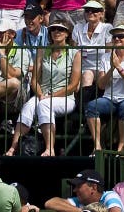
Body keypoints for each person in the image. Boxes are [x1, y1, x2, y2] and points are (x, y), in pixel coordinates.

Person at [8, 19, 80, 157]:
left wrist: (50, 97)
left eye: (60, 29)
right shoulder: (42, 51)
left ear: (67, 34)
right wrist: (41, 94)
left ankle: (50, 149)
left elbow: (73, 86)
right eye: (53, 29)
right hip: (43, 95)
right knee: (29, 106)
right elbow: (34, 80)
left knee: (45, 105)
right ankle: (13, 147)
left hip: (65, 98)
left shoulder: (75, 53)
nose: (56, 32)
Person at [85, 22, 124, 153]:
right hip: (109, 98)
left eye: (121, 36)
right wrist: (112, 67)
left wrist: (119, 67)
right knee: (91, 107)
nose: (117, 39)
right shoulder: (106, 57)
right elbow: (101, 84)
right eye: (114, 37)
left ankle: (121, 146)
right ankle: (98, 146)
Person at [46, 169, 124, 212]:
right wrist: (80, 211)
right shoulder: (80, 201)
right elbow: (50, 203)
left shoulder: (110, 196)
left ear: (93, 188)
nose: (74, 190)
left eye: (78, 186)